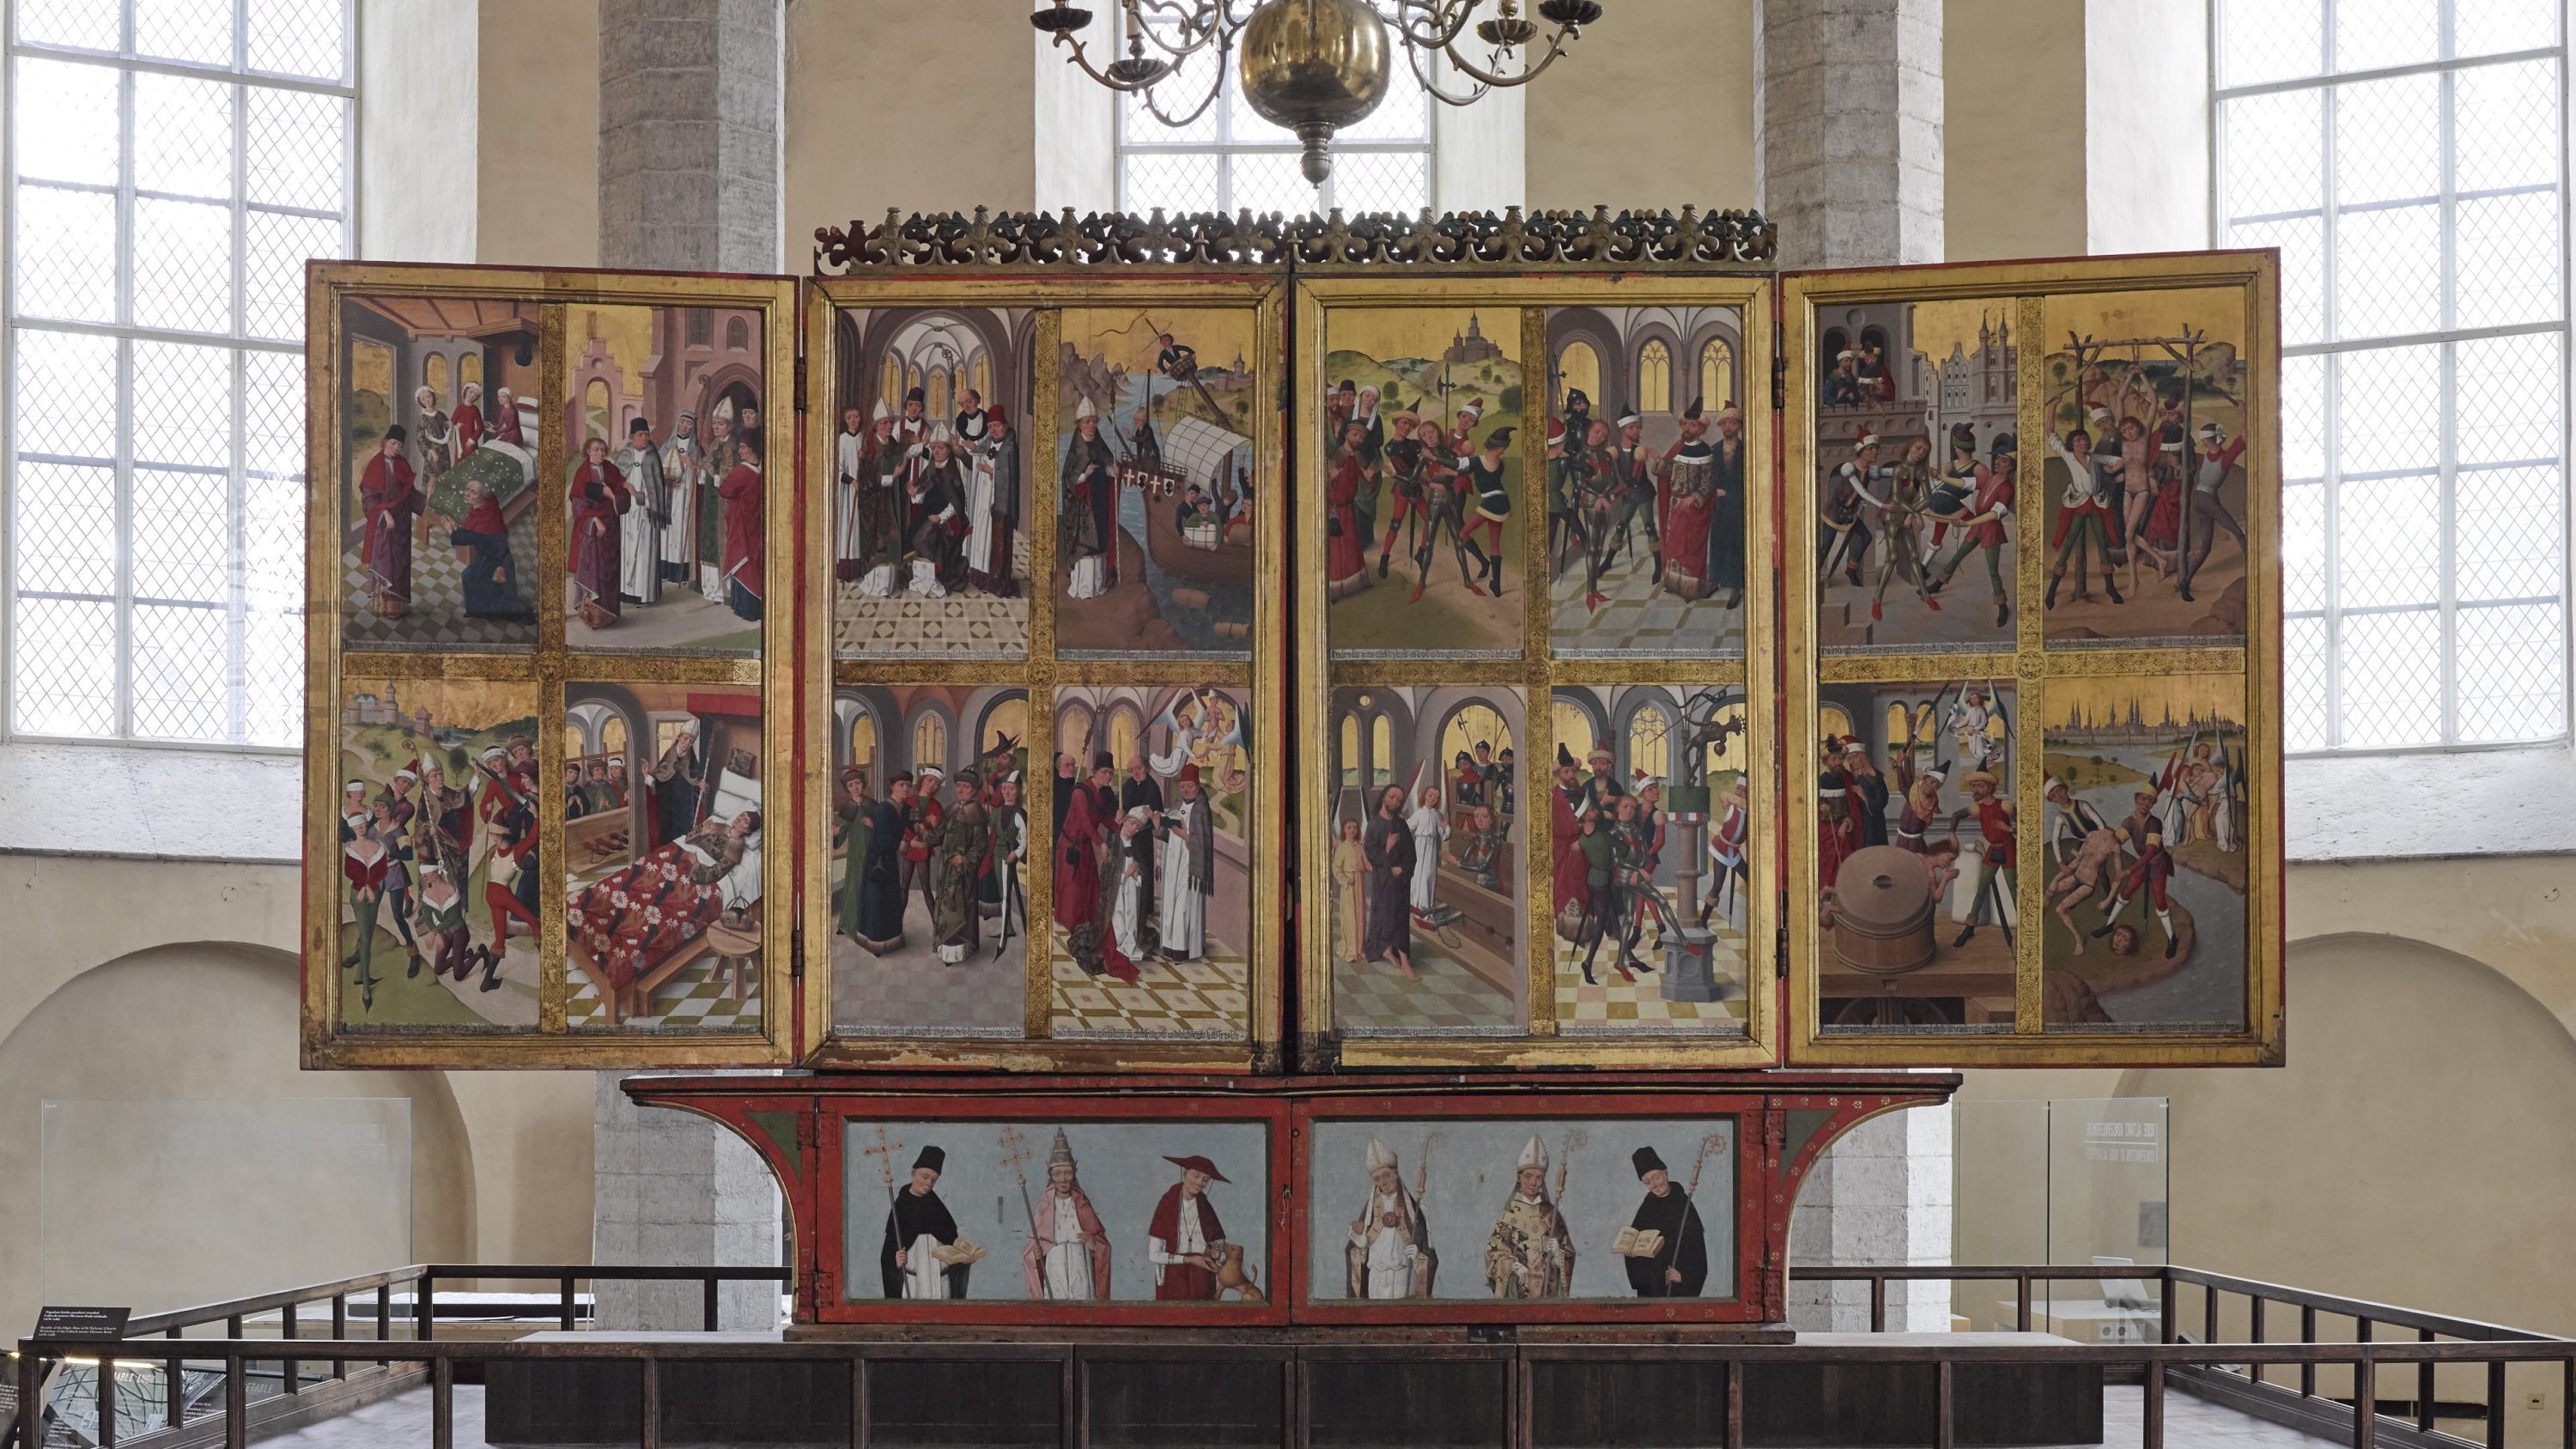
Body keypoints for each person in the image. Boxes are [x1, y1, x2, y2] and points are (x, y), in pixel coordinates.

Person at [1929, 433, 2016, 629]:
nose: (1997, 462)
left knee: (1993, 570)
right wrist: (1941, 476)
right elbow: (1965, 483)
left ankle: (2001, 604)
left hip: (1990, 530)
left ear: (2011, 466)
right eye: (1997, 459)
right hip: (1978, 525)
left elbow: (1995, 515)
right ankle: (1938, 584)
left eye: (2003, 461)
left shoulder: (2007, 488)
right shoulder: (1989, 479)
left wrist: (1968, 523)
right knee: (1958, 556)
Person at [1024, 1129, 1111, 1300]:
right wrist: (1036, 1254)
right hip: (1055, 1263)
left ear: (1073, 1175)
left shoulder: (1083, 1204)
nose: (1063, 1179)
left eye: (1068, 1173)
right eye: (1058, 1173)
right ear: (1052, 1176)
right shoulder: (1044, 1206)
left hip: (1080, 1261)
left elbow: (1102, 1244)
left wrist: (1095, 1247)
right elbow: (1031, 1249)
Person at [1485, 1135, 1574, 1299]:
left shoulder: (1551, 1214)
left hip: (1547, 1293)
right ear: (1519, 1177)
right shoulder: (1509, 1215)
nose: (1533, 1183)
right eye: (1528, 1176)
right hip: (1519, 1291)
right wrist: (1513, 1266)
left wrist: (1558, 1253)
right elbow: (1494, 1253)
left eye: (1539, 1177)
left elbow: (1568, 1253)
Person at [2046, 425, 2126, 608]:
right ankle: (2052, 591)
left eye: (2085, 439)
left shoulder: (2094, 458)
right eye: (2078, 440)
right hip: (2080, 504)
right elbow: (2050, 432)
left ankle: (2110, 588)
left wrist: (2111, 472)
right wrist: (2053, 406)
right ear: (2072, 445)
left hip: (2097, 504)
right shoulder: (2069, 456)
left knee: (2102, 544)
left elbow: (2120, 461)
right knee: (2068, 543)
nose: (2083, 442)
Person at [1346, 1137, 1436, 1299]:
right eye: (1377, 1178)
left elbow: (1428, 1254)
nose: (1383, 1183)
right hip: (1376, 1280)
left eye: (1386, 1175)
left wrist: (1417, 1256)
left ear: (1396, 1173)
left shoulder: (1413, 1210)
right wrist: (1362, 1247)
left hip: (1403, 1279)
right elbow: (1357, 1253)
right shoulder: (1371, 1210)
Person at [882, 1147, 971, 1300]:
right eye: (925, 1177)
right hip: (912, 1285)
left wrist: (965, 1256)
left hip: (942, 1284)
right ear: (913, 1173)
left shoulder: (936, 1206)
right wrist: (894, 1262)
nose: (929, 1183)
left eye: (934, 1180)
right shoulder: (901, 1207)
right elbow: (888, 1254)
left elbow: (952, 1240)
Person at [1624, 1147, 1709, 1298]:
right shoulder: (1647, 1205)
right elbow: (1635, 1239)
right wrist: (1631, 1253)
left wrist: (1683, 1275)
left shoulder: (1683, 1204)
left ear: (1666, 1173)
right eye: (1647, 1182)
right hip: (1650, 1285)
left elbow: (1698, 1251)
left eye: (1656, 1177)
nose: (1654, 1185)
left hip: (1674, 1284)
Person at [567, 436, 633, 628]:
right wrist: (594, 519)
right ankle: (592, 617)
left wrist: (614, 495)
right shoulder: (583, 473)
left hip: (611, 529)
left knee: (609, 573)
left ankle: (609, 615)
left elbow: (623, 499)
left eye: (603, 450)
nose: (601, 454)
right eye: (596, 450)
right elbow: (578, 507)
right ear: (588, 451)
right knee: (593, 570)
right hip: (593, 531)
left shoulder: (611, 470)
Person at [2180, 421, 2250, 603]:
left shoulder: (2202, 458)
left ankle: (2185, 581)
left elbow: (2187, 455)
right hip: (2208, 500)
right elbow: (2243, 437)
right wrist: (2243, 414)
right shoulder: (2225, 458)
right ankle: (2254, 568)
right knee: (2238, 532)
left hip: (2199, 500)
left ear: (2206, 441)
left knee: (2206, 546)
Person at [1948, 771, 2018, 949]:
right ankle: (1969, 927)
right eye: (1974, 785)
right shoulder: (1977, 808)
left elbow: (2025, 826)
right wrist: (1952, 834)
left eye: (1980, 785)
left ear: (1990, 787)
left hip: (2009, 849)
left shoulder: (2005, 805)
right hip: (1992, 851)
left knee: (2014, 890)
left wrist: (2009, 829)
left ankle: (2028, 929)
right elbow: (1956, 816)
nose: (1976, 789)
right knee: (1981, 890)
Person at [2094, 816, 2180, 959]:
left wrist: (2128, 871)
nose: (2144, 803)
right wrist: (2107, 839)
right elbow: (2118, 839)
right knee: (2126, 892)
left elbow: (2150, 852)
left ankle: (2172, 939)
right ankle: (2109, 925)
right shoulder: (2130, 821)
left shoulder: (2154, 823)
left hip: (2157, 863)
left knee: (2160, 902)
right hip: (2143, 864)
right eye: (2141, 799)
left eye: (2148, 800)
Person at [929, 769, 990, 965]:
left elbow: (980, 845)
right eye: (958, 786)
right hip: (946, 868)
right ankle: (945, 946)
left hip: (963, 871)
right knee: (945, 905)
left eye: (966, 786)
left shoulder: (976, 812)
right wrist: (926, 834)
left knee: (960, 906)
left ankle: (960, 950)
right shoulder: (953, 807)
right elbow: (940, 833)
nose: (960, 790)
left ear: (973, 791)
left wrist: (965, 859)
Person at [1147, 1155, 1230, 1300]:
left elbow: (1222, 1256)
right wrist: (1189, 1260)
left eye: (1205, 1179)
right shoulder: (1167, 1204)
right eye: (1196, 1175)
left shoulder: (1206, 1208)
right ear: (1185, 1174)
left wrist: (1217, 1255)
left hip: (1203, 1277)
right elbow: (1154, 1255)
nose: (1200, 1183)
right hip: (1174, 1277)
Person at [359, 427, 419, 618]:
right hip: (384, 525)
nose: (396, 448)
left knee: (400, 564)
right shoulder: (376, 464)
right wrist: (384, 513)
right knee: (386, 561)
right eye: (393, 443)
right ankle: (383, 606)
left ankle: (398, 606)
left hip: (402, 523)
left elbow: (411, 494)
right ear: (385, 442)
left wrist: (429, 498)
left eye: (399, 445)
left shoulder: (402, 463)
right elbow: (369, 498)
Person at [448, 478, 530, 621]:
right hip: (491, 556)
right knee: (470, 576)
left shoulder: (483, 522)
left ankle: (525, 613)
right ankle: (476, 611)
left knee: (502, 599)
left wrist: (450, 529)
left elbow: (459, 538)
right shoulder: (490, 502)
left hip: (497, 561)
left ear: (482, 496)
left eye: (473, 492)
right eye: (467, 489)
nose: (467, 494)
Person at [1060, 397, 1117, 600]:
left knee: (1100, 541)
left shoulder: (1099, 444)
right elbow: (1068, 479)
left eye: (1094, 421)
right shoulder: (1077, 450)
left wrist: (1112, 470)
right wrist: (1085, 475)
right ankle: (1084, 588)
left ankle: (1098, 585)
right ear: (1079, 425)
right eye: (1087, 422)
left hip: (1100, 501)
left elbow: (1107, 464)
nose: (1092, 425)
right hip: (1084, 507)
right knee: (1087, 545)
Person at [1157, 763, 1215, 962]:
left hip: (1190, 867)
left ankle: (1184, 948)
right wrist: (1159, 823)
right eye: (1183, 786)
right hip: (1174, 863)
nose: (1186, 790)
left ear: (1198, 786)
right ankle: (1170, 945)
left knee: (1183, 906)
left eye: (1190, 786)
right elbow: (1165, 832)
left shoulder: (1202, 809)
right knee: (1171, 904)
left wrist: (1187, 837)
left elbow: (1205, 842)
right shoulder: (1176, 805)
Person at [1361, 784, 1417, 980]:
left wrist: (1403, 868)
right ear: (1384, 797)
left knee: (1400, 917)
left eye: (1399, 800)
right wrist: (1387, 848)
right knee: (1386, 915)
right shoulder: (1374, 824)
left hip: (1400, 880)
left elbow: (1411, 853)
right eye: (1392, 797)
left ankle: (1404, 960)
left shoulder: (1401, 824)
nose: (1395, 802)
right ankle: (1387, 951)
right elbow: (1371, 854)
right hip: (1384, 880)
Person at [616, 417, 666, 606]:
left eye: (646, 434)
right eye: (640, 435)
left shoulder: (653, 457)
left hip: (646, 515)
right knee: (627, 552)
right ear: (631, 437)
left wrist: (636, 494)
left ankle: (643, 594)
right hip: (627, 516)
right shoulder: (624, 456)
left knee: (644, 553)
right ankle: (626, 592)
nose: (644, 438)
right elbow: (616, 483)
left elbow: (657, 491)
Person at [971, 406, 1021, 596]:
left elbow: (1010, 476)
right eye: (990, 426)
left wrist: (991, 471)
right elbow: (977, 453)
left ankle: (998, 582)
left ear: (1005, 426)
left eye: (997, 425)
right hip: (985, 500)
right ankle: (982, 577)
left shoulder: (1009, 447)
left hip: (1001, 502)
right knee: (984, 540)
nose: (993, 430)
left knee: (999, 542)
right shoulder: (988, 442)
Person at [1324, 419, 1376, 600]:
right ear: (1347, 434)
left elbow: (1367, 481)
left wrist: (1369, 479)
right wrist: (1330, 478)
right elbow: (1324, 485)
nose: (1359, 438)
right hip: (1335, 509)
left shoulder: (1359, 456)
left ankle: (1357, 584)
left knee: (1352, 546)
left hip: (1349, 509)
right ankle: (1336, 589)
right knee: (1337, 549)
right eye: (1356, 434)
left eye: (1362, 436)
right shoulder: (1337, 455)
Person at [719, 431, 765, 621]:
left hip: (741, 523)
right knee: (753, 559)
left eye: (743, 447)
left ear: (752, 449)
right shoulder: (762, 469)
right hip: (754, 521)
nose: (740, 451)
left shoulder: (742, 471)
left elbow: (725, 490)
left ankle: (745, 608)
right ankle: (754, 607)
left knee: (742, 558)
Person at [659, 410, 704, 589]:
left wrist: (692, 466)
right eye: (683, 422)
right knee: (666, 533)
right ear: (677, 423)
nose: (685, 426)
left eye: (689, 423)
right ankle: (664, 571)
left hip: (684, 496)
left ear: (693, 427)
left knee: (680, 531)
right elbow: (658, 467)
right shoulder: (668, 445)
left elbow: (701, 472)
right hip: (668, 494)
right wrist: (666, 479)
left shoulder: (697, 448)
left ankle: (680, 573)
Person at [1108, 805, 1154, 963]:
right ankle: (1116, 945)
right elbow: (1107, 872)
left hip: (1132, 888)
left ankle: (1129, 946)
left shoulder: (1135, 846)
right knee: (1118, 921)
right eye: (1132, 823)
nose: (1133, 829)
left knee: (1132, 917)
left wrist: (1138, 873)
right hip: (1116, 891)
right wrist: (1125, 874)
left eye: (1138, 827)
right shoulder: (1114, 841)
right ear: (1125, 821)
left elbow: (1143, 870)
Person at [1405, 783, 1449, 920]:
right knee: (1418, 876)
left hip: (1431, 849)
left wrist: (1446, 827)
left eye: (1436, 797)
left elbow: (1444, 836)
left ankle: (1427, 908)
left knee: (1429, 877)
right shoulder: (1418, 813)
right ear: (1424, 796)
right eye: (1430, 796)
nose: (1432, 799)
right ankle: (1416, 906)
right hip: (1419, 848)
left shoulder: (1437, 815)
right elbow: (1406, 828)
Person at [1330, 815, 1366, 968]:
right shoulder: (1342, 847)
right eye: (1349, 828)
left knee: (1360, 916)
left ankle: (1359, 949)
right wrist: (1345, 880)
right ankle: (1350, 951)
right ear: (1344, 830)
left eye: (1355, 828)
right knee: (1350, 918)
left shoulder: (1360, 846)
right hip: (1348, 886)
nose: (1352, 831)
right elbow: (1336, 869)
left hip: (1360, 883)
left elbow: (1366, 863)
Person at [411, 386, 453, 485]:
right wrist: (429, 451)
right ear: (420, 402)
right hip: (433, 453)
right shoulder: (423, 419)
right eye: (423, 399)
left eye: (429, 397)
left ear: (433, 397)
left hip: (444, 452)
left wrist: (451, 426)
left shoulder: (441, 415)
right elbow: (420, 439)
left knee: (445, 478)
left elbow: (448, 432)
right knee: (433, 480)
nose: (427, 400)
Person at [451, 381, 485, 459]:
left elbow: (481, 427)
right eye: (471, 392)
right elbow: (452, 423)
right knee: (459, 462)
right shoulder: (459, 408)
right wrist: (455, 426)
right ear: (466, 391)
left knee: (470, 462)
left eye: (475, 395)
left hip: (470, 442)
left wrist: (472, 440)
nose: (472, 395)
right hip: (460, 440)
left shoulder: (475, 410)